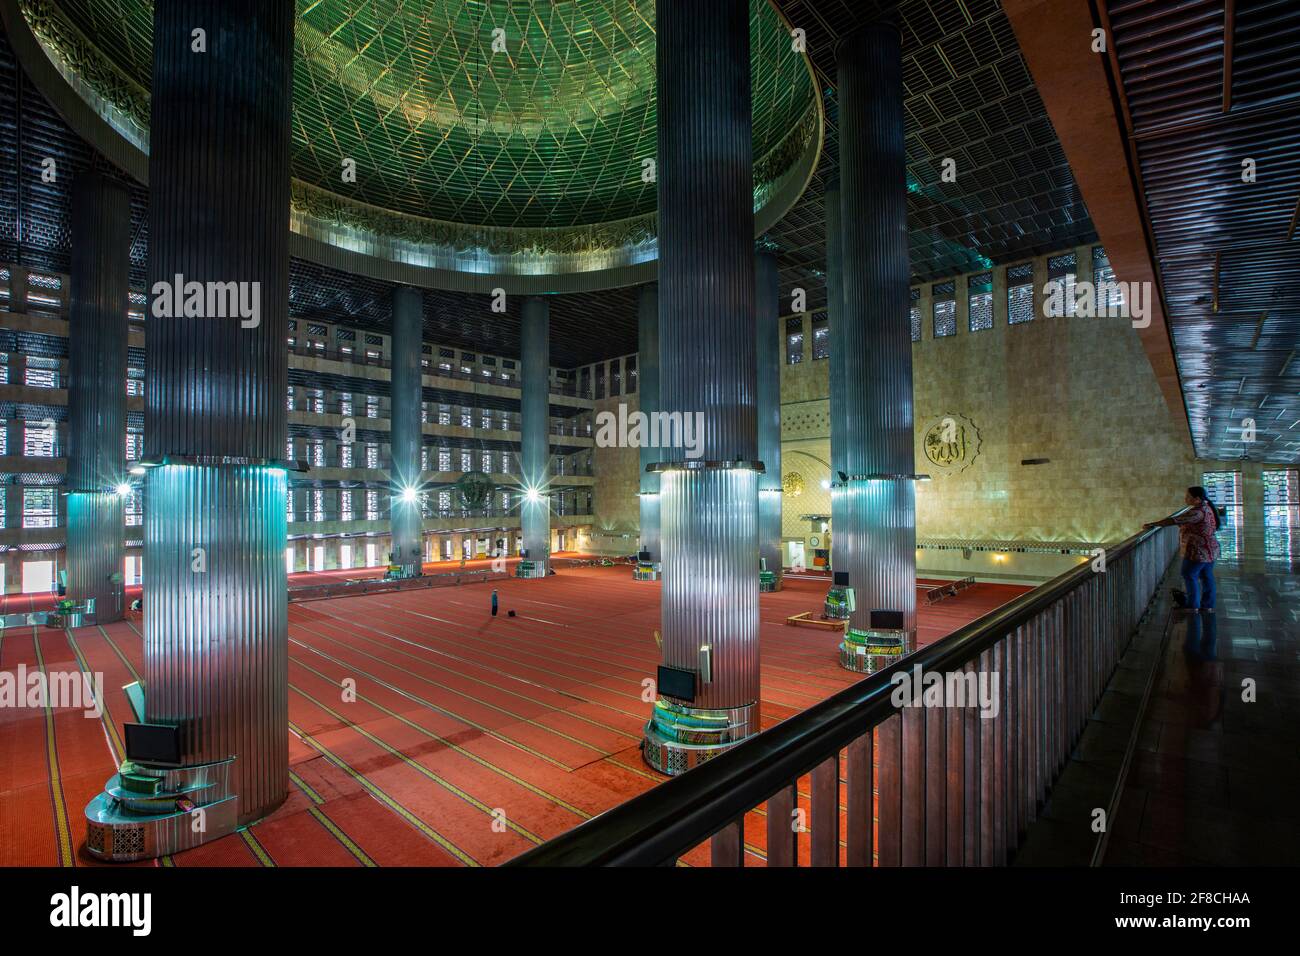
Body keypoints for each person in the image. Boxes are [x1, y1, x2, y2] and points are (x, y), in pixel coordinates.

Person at [1143, 486, 1221, 612]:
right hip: (1210, 549)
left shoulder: (1197, 512)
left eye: (1188, 496)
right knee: (1207, 576)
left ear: (1196, 499)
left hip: (1198, 551)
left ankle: (1192, 605)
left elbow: (1175, 520)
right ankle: (1207, 605)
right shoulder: (1207, 508)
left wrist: (1154, 524)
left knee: (1189, 574)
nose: (1185, 498)